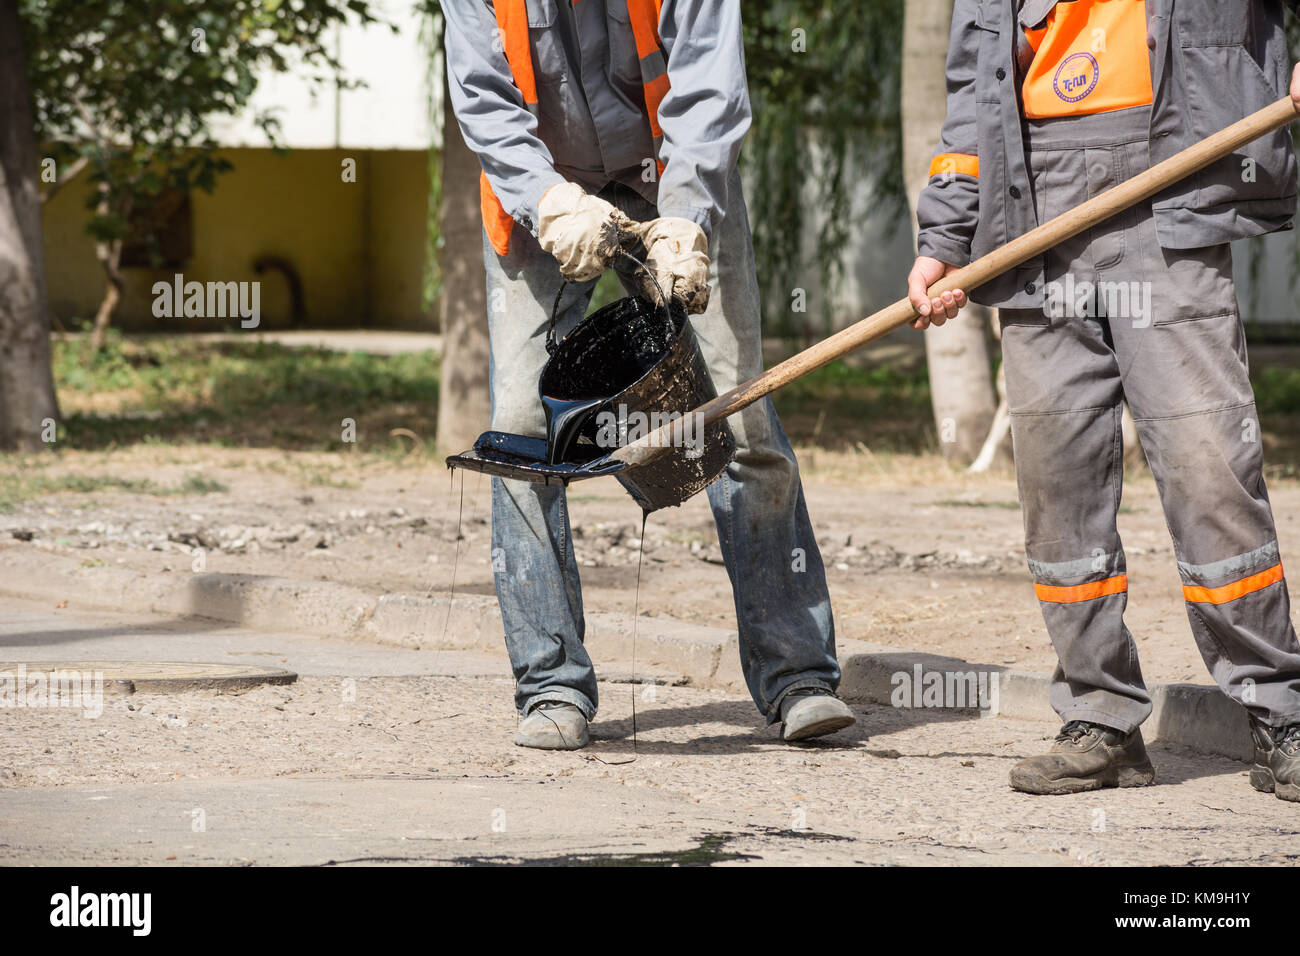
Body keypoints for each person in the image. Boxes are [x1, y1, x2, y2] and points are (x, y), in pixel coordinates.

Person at [910, 0, 1300, 801]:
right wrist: (944, 240)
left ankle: (1280, 713)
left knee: (1208, 469)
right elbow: (970, 95)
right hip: (1029, 205)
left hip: (1172, 179)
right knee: (1058, 487)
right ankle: (1100, 717)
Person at [443, 0, 855, 749]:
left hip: (672, 175)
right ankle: (552, 687)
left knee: (739, 411)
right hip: (542, 190)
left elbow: (708, 81)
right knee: (521, 434)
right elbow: (482, 95)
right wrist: (549, 203)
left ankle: (797, 676)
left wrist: (688, 217)